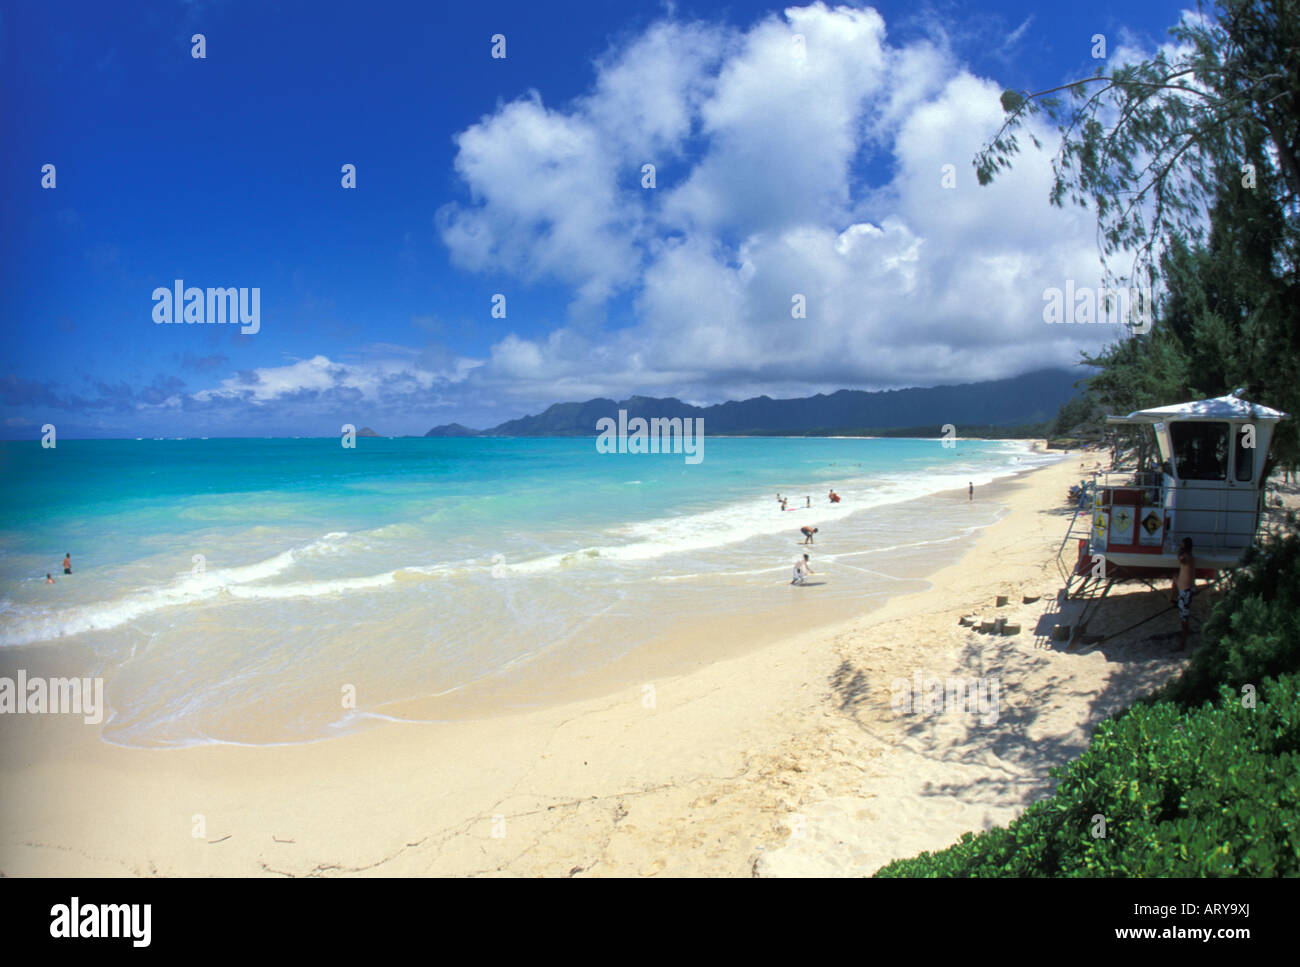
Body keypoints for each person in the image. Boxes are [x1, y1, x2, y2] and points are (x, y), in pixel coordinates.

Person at [1171, 537, 1196, 650]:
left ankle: (1183, 644)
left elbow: (1180, 559)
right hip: (1185, 590)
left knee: (1184, 619)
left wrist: (1179, 551)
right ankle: (1183, 641)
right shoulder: (1190, 557)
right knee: (1184, 617)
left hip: (1185, 591)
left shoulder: (1186, 557)